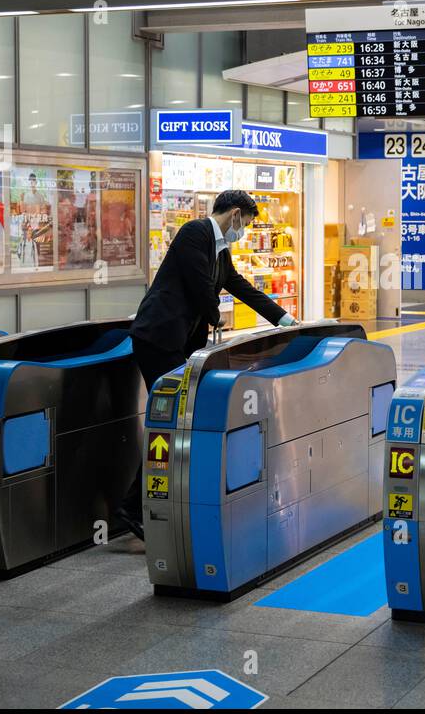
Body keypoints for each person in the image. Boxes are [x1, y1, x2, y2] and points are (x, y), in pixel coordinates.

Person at [121, 190, 296, 538]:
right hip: (158, 338)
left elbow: (241, 287)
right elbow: (199, 285)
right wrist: (216, 315)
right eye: (243, 224)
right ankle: (133, 504)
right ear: (234, 214)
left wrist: (284, 319)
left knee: (174, 419)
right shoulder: (195, 233)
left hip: (178, 342)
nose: (242, 231)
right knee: (170, 420)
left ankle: (148, 500)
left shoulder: (220, 251)